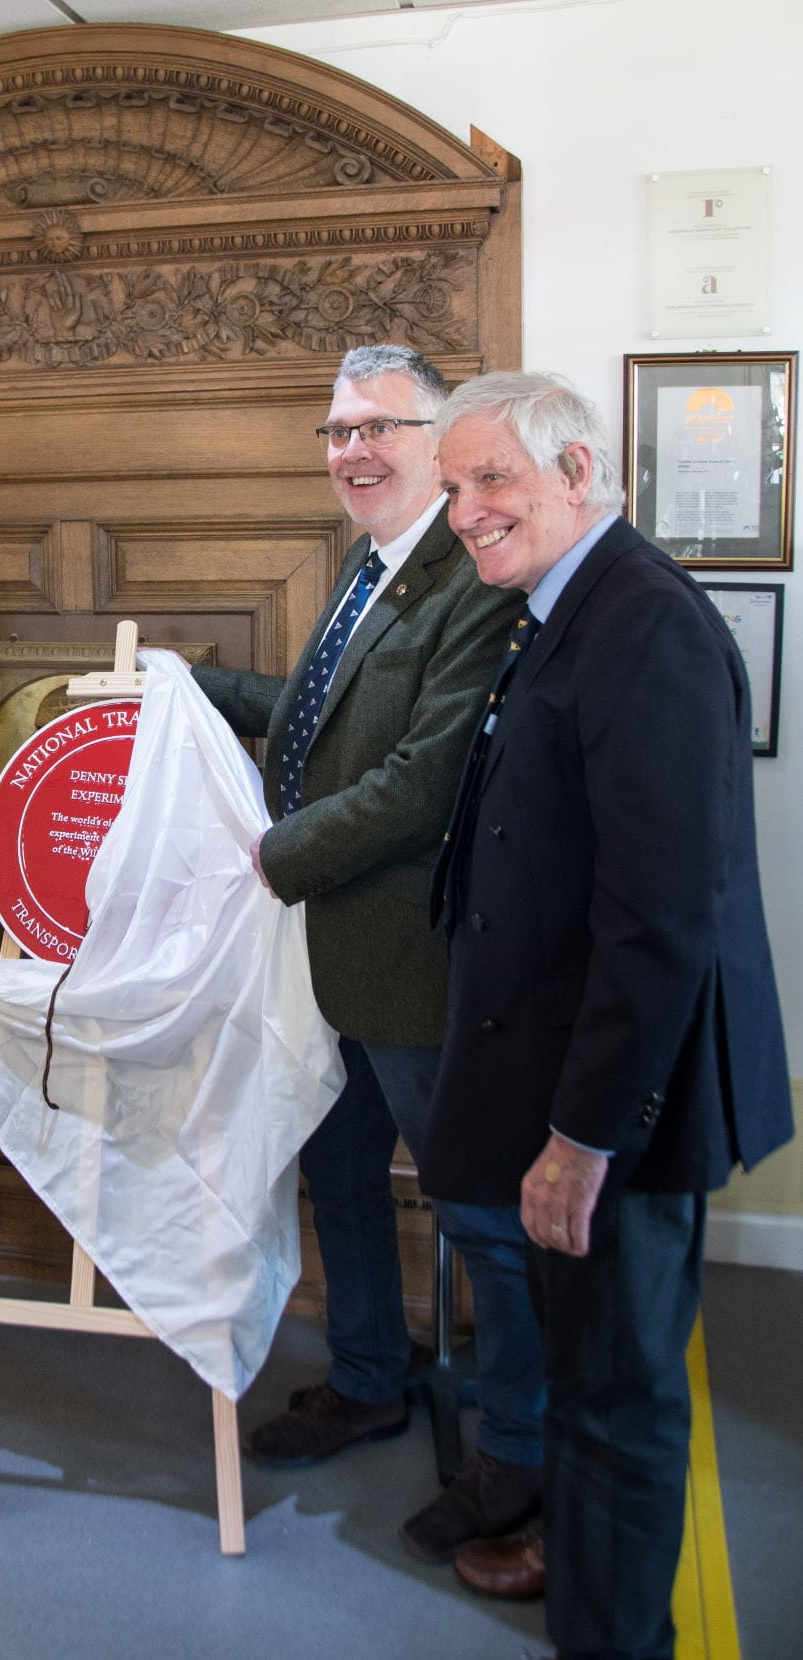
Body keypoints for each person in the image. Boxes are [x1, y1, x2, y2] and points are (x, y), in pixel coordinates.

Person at [426, 371, 792, 1654]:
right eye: (456, 486)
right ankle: (588, 1584)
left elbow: (660, 919)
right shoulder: (561, 608)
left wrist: (584, 1137)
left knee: (620, 1404)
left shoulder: (643, 623)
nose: (465, 511)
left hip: (621, 1107)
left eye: (493, 483)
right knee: (587, 1389)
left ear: (578, 474)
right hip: (571, 1083)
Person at [194, 344, 547, 1562]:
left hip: (413, 963)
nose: (352, 451)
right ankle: (366, 1375)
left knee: (480, 1216)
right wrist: (199, 687)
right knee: (337, 1178)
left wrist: (275, 856)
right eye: (337, 431)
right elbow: (324, 718)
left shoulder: (478, 575)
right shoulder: (368, 565)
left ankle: (514, 1459)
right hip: (323, 960)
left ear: (437, 442)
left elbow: (424, 780)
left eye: (377, 429)